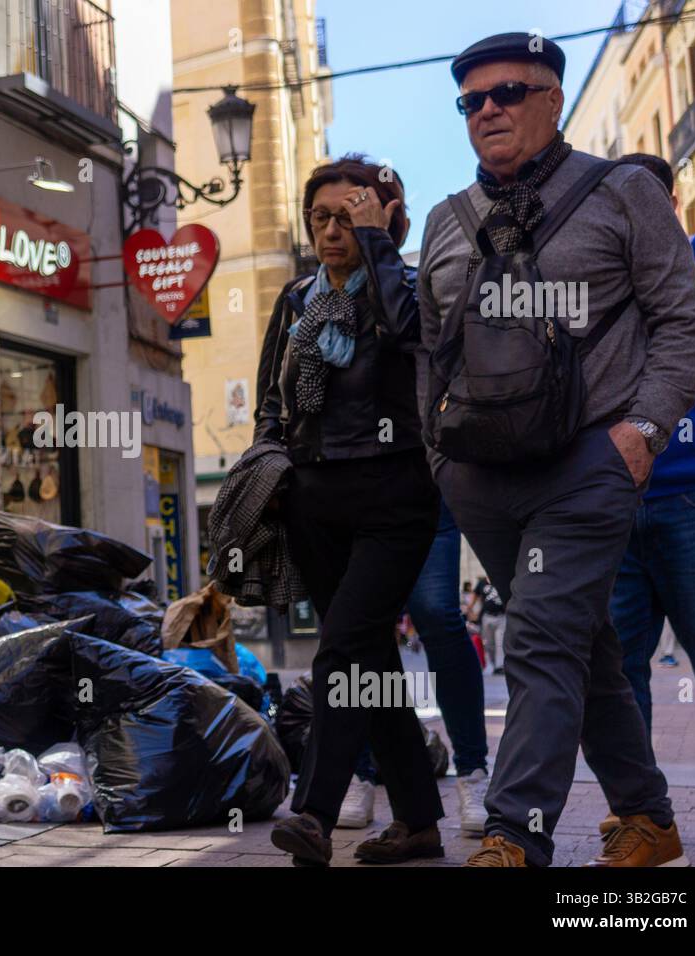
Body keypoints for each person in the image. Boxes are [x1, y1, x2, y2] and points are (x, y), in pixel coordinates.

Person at [419, 33, 695, 867]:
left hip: (590, 461)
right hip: (479, 472)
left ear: (551, 98)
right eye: (472, 101)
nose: (489, 111)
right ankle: (648, 819)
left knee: (541, 639)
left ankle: (516, 833)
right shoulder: (447, 221)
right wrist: (440, 461)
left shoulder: (621, 190)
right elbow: (429, 354)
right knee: (582, 649)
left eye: (508, 92)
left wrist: (643, 432)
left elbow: (684, 323)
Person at [260, 155, 445, 866]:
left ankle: (313, 812)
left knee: (339, 647)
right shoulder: (295, 298)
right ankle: (420, 822)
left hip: (395, 493)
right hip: (312, 497)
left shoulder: (406, 283)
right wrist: (270, 466)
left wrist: (380, 245)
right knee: (371, 658)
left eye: (349, 215)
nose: (332, 230)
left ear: (385, 216)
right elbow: (273, 400)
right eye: (321, 218)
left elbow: (407, 334)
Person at [604, 152, 695, 844]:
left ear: (672, 204)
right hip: (614, 504)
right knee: (618, 668)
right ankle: (638, 807)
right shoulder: (600, 292)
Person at [337, 500, 491, 837]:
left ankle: (472, 770)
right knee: (361, 626)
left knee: (437, 613)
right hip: (356, 487)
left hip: (425, 486)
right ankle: (360, 773)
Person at [468, 575, 506, 675]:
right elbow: (475, 595)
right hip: (487, 616)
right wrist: (469, 609)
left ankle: (499, 666)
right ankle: (494, 664)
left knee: (500, 641)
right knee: (489, 643)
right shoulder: (482, 582)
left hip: (501, 616)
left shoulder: (502, 580)